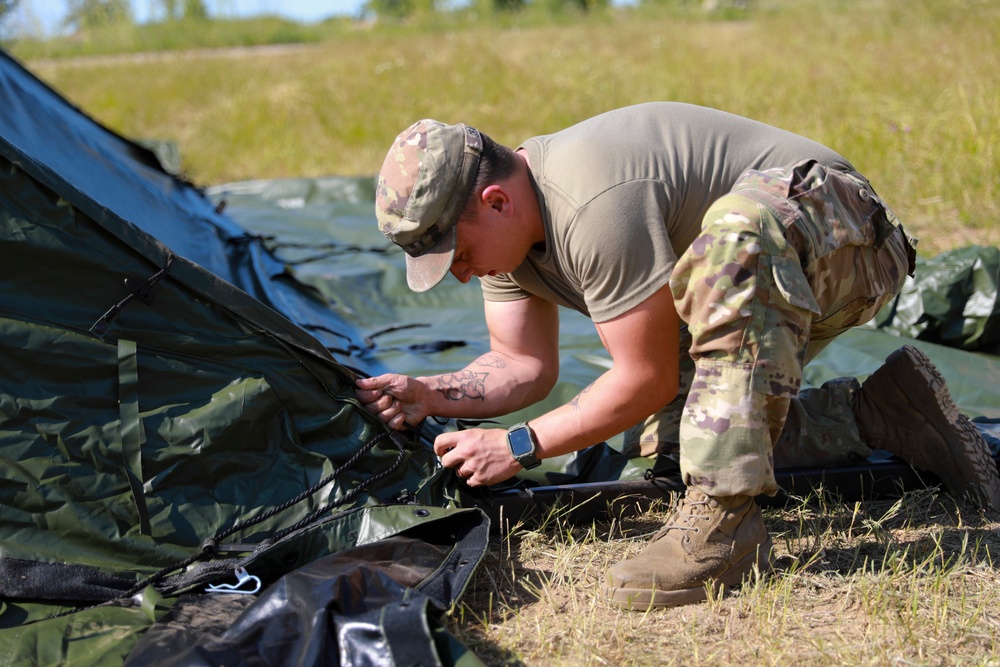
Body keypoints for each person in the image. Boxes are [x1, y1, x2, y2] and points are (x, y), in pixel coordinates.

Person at [355, 102, 1000, 611]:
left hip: (845, 235)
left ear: (496, 202)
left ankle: (725, 526)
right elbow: (522, 364)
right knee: (673, 440)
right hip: (764, 274)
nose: (461, 274)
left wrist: (520, 444)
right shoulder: (507, 241)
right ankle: (882, 413)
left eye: (459, 254)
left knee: (735, 243)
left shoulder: (591, 203)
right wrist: (430, 392)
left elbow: (646, 376)